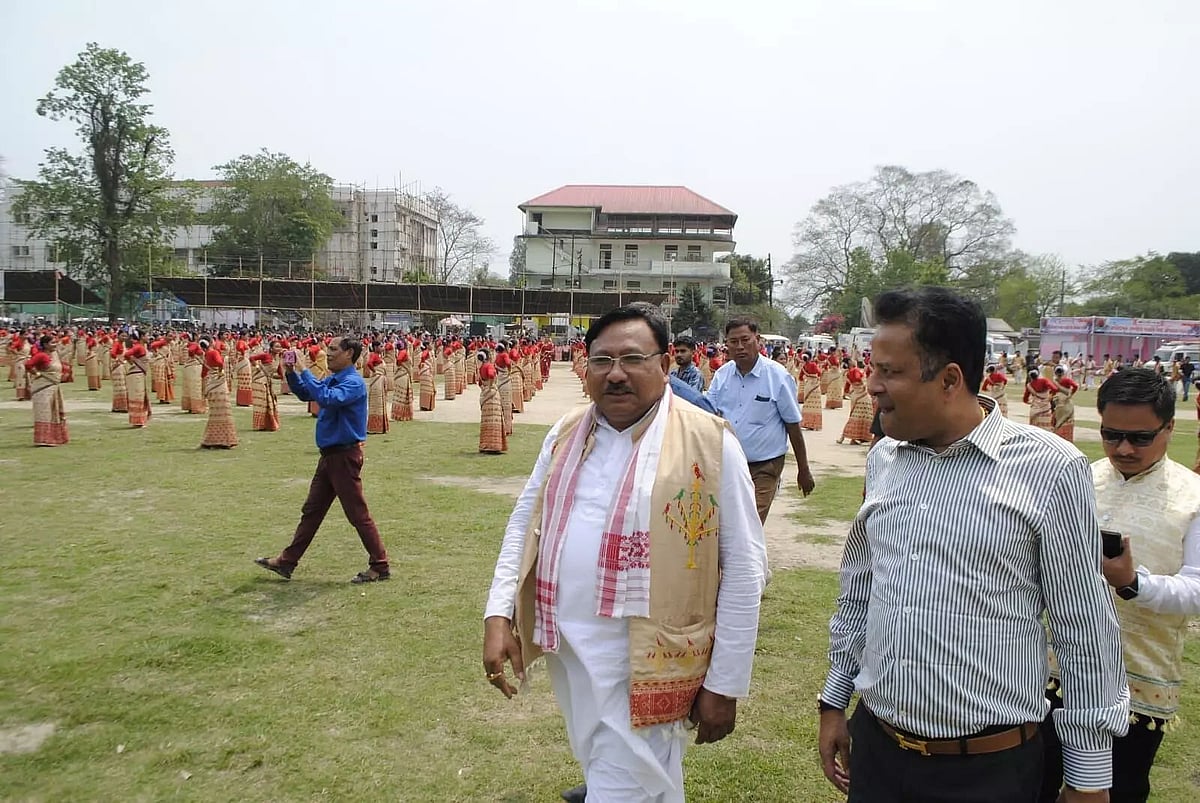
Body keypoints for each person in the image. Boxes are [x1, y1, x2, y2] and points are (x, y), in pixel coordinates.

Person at [818, 287, 1128, 803]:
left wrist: (1088, 778)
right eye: (872, 368)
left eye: (889, 372)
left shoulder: (1050, 469)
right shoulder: (885, 459)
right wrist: (835, 700)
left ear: (949, 379)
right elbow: (861, 590)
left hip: (987, 770)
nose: (870, 385)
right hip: (879, 751)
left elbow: (1084, 627)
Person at [483, 303, 766, 803]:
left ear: (663, 364)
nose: (616, 374)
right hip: (568, 648)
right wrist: (499, 613)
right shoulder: (567, 432)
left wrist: (726, 682)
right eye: (602, 360)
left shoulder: (710, 442)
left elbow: (745, 568)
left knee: (624, 786)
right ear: (585, 366)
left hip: (650, 656)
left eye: (633, 359)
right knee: (630, 776)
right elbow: (524, 525)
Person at [1040, 368, 1200, 803]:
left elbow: (1197, 590)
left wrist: (1133, 584)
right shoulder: (1078, 480)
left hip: (1137, 682)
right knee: (1034, 783)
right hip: (1051, 670)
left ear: (1169, 428)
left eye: (1141, 438)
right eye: (1112, 435)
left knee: (1118, 790)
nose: (1124, 449)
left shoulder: (1193, 497)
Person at [255, 337, 391, 584]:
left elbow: (327, 399)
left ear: (349, 353)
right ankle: (287, 562)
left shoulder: (353, 383)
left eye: (333, 350)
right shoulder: (335, 379)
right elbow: (308, 393)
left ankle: (380, 565)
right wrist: (292, 374)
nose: (327, 354)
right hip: (331, 456)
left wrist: (304, 370)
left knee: (357, 514)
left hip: (343, 456)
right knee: (312, 511)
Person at [706, 317, 815, 524]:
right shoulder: (722, 375)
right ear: (726, 344)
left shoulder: (778, 376)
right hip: (729, 464)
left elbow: (793, 425)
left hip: (766, 466)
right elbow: (709, 414)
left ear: (758, 340)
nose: (740, 347)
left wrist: (804, 469)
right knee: (725, 524)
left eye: (745, 340)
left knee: (750, 522)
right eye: (733, 341)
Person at [26, 335, 68, 446]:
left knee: (54, 411)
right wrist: (37, 373)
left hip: (54, 387)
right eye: (52, 343)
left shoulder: (54, 355)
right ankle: (43, 439)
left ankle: (55, 437)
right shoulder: (41, 355)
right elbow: (28, 365)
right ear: (45, 345)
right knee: (44, 412)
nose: (55, 345)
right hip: (42, 388)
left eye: (55, 342)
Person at [200, 343, 238, 449]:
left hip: (210, 382)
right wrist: (221, 371)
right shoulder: (213, 352)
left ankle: (211, 440)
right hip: (218, 383)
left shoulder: (206, 355)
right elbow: (219, 362)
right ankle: (225, 440)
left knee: (214, 414)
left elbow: (203, 373)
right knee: (224, 412)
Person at [476, 350, 506, 454]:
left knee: (486, 420)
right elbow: (491, 375)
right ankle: (494, 445)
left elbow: (480, 382)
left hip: (485, 394)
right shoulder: (489, 366)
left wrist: (485, 389)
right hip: (492, 394)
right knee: (494, 419)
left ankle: (486, 444)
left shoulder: (481, 368)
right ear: (488, 356)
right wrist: (490, 387)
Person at [837, 362, 873, 445]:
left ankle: (847, 437)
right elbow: (858, 379)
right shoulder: (856, 371)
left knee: (853, 416)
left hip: (855, 395)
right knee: (866, 417)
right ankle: (860, 437)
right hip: (863, 396)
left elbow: (846, 388)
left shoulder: (847, 374)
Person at [124, 336, 152, 428]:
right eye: (146, 335)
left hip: (140, 374)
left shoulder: (142, 347)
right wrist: (132, 362)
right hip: (137, 374)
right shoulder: (139, 347)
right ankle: (138, 421)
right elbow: (127, 354)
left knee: (141, 397)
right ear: (142, 337)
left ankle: (140, 420)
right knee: (138, 398)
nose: (148, 337)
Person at [249, 350, 280, 431]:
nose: (278, 348)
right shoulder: (266, 355)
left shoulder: (278, 359)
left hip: (268, 382)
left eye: (279, 346)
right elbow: (251, 358)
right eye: (276, 347)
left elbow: (278, 373)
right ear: (271, 348)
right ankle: (260, 425)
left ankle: (269, 424)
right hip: (260, 381)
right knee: (262, 403)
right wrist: (257, 367)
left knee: (270, 403)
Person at [363, 350, 390, 435]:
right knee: (377, 402)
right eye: (380, 346)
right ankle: (374, 426)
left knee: (381, 402)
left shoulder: (378, 355)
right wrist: (375, 371)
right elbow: (369, 363)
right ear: (376, 347)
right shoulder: (374, 355)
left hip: (380, 380)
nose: (382, 347)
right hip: (377, 380)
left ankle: (380, 426)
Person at [1053, 365, 1080, 442]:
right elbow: (1075, 386)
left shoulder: (1055, 381)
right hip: (1066, 400)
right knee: (1067, 420)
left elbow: (1052, 391)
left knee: (1058, 420)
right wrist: (1071, 394)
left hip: (1058, 401)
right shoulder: (1066, 380)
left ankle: (1058, 436)